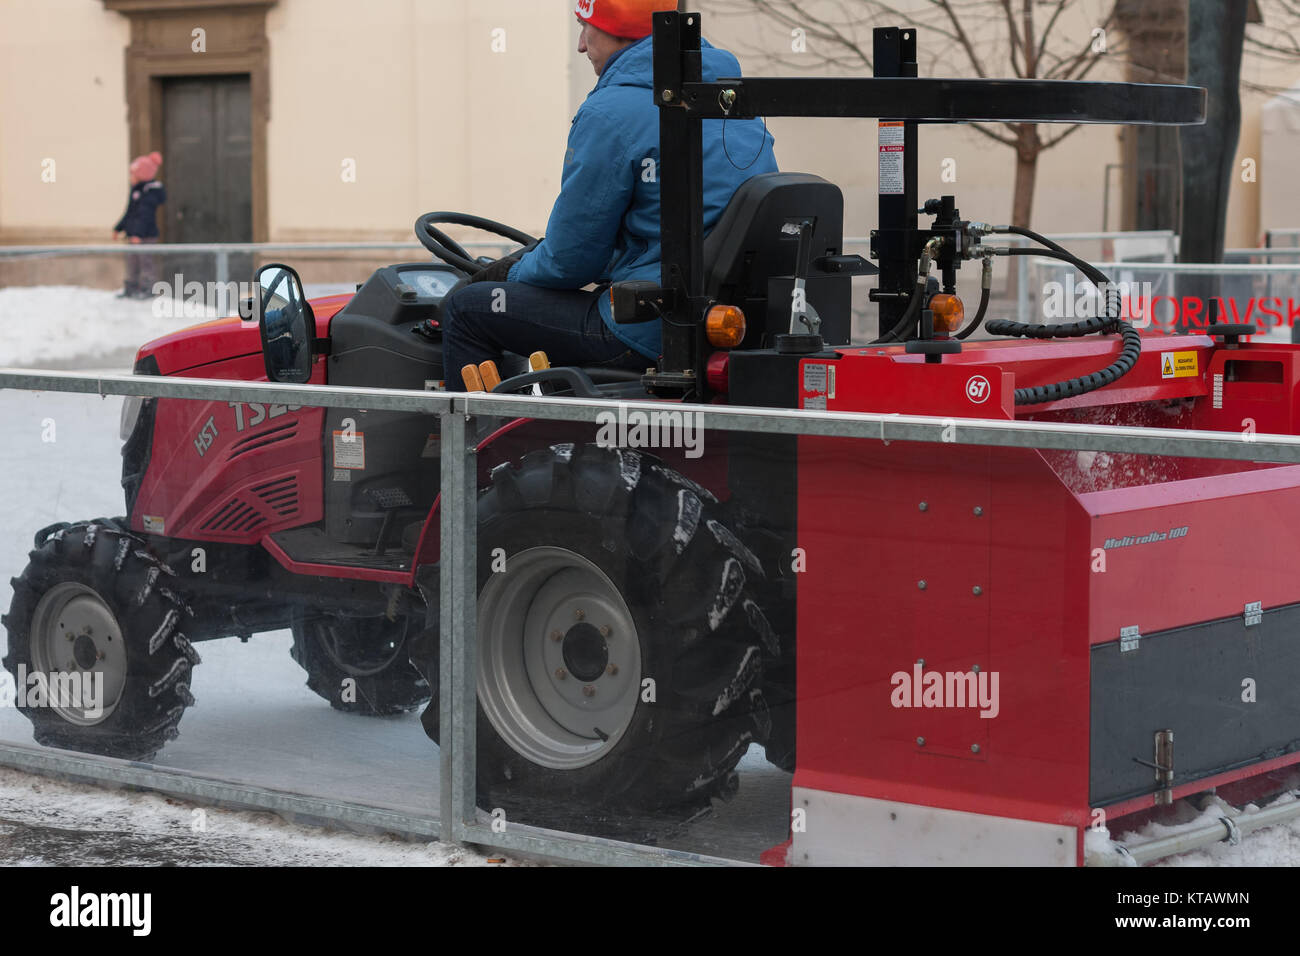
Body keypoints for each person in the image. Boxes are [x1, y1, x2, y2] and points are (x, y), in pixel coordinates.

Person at [439, 0, 778, 389]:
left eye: (586, 28)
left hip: (648, 329)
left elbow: (570, 263)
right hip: (724, 319)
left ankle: (471, 446)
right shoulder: (728, 103)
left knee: (467, 308)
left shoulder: (610, 113)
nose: (581, 45)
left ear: (618, 33)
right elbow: (668, 226)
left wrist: (509, 271)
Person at [113, 152, 166, 299]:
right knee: (132, 262)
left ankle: (148, 289)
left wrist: (138, 234)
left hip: (146, 236)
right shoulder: (136, 191)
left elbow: (145, 216)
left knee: (146, 262)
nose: (131, 178)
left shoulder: (149, 193)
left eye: (133, 174)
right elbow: (130, 212)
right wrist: (118, 228)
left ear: (143, 175)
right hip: (134, 236)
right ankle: (131, 287)